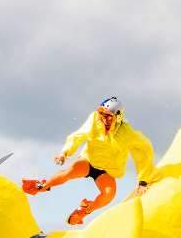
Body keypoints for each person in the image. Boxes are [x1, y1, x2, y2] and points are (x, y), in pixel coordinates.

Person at [22, 96, 157, 225]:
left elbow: (144, 151)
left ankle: (83, 211)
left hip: (107, 171)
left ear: (118, 117)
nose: (105, 119)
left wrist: (143, 180)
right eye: (102, 114)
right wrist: (64, 153)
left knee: (109, 194)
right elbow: (78, 136)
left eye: (109, 116)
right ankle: (42, 186)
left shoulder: (128, 134)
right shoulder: (94, 120)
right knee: (70, 171)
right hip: (89, 161)